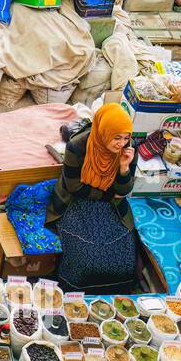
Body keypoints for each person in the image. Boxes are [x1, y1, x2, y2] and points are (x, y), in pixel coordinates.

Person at [46, 103, 139, 294]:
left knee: (122, 249)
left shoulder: (127, 150)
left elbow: (124, 190)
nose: (121, 143)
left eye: (126, 137)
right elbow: (74, 186)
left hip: (111, 205)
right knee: (85, 252)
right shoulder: (78, 146)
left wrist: (123, 168)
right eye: (116, 137)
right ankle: (72, 291)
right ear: (104, 132)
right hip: (77, 202)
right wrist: (108, 195)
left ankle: (112, 296)